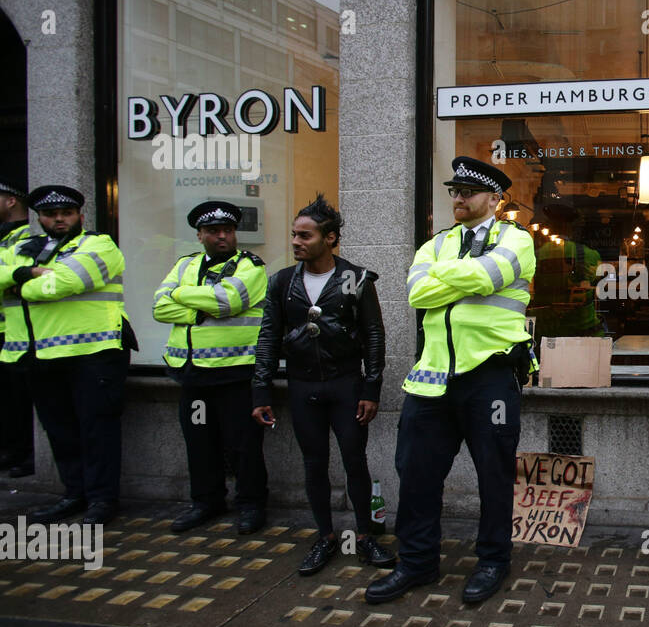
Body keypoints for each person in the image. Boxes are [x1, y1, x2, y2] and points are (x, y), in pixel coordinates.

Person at [366, 157, 536, 605]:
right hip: (431, 378)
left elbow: (487, 276)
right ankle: (417, 563)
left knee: (494, 475)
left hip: (491, 374)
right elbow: (417, 293)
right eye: (453, 191)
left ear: (495, 199)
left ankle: (494, 560)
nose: (458, 198)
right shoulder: (436, 243)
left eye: (468, 192)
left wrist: (452, 278)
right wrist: (465, 281)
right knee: (416, 473)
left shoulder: (517, 239)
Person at [251, 195, 392, 575]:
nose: (296, 242)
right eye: (294, 235)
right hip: (302, 386)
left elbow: (374, 335)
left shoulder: (356, 278)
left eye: (305, 236)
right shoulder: (283, 282)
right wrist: (261, 391)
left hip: (346, 385)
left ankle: (364, 537)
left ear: (330, 239)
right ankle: (325, 536)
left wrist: (371, 388)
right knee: (313, 464)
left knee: (354, 461)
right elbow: (267, 337)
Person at [0, 185, 133, 525]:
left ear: (80, 215)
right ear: (39, 217)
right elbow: (42, 281)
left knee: (97, 431)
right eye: (50, 214)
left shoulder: (98, 244)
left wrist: (17, 285)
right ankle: (74, 494)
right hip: (38, 355)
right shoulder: (22, 249)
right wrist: (26, 273)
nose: (59, 219)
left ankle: (102, 501)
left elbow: (64, 283)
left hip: (93, 354)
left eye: (66, 213)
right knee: (60, 431)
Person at [153, 201, 269, 535]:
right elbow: (160, 306)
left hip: (235, 373)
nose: (222, 237)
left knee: (243, 445)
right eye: (214, 232)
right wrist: (196, 309)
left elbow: (227, 302)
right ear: (200, 235)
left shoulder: (250, 266)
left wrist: (182, 296)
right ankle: (206, 501)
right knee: (199, 441)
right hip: (193, 377)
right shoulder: (184, 264)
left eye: (228, 231)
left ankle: (251, 504)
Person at [0, 178, 34, 478]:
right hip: (8, 331)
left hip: (19, 332)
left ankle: (24, 452)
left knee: (20, 399)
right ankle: (12, 449)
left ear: (11, 200)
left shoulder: (27, 235)